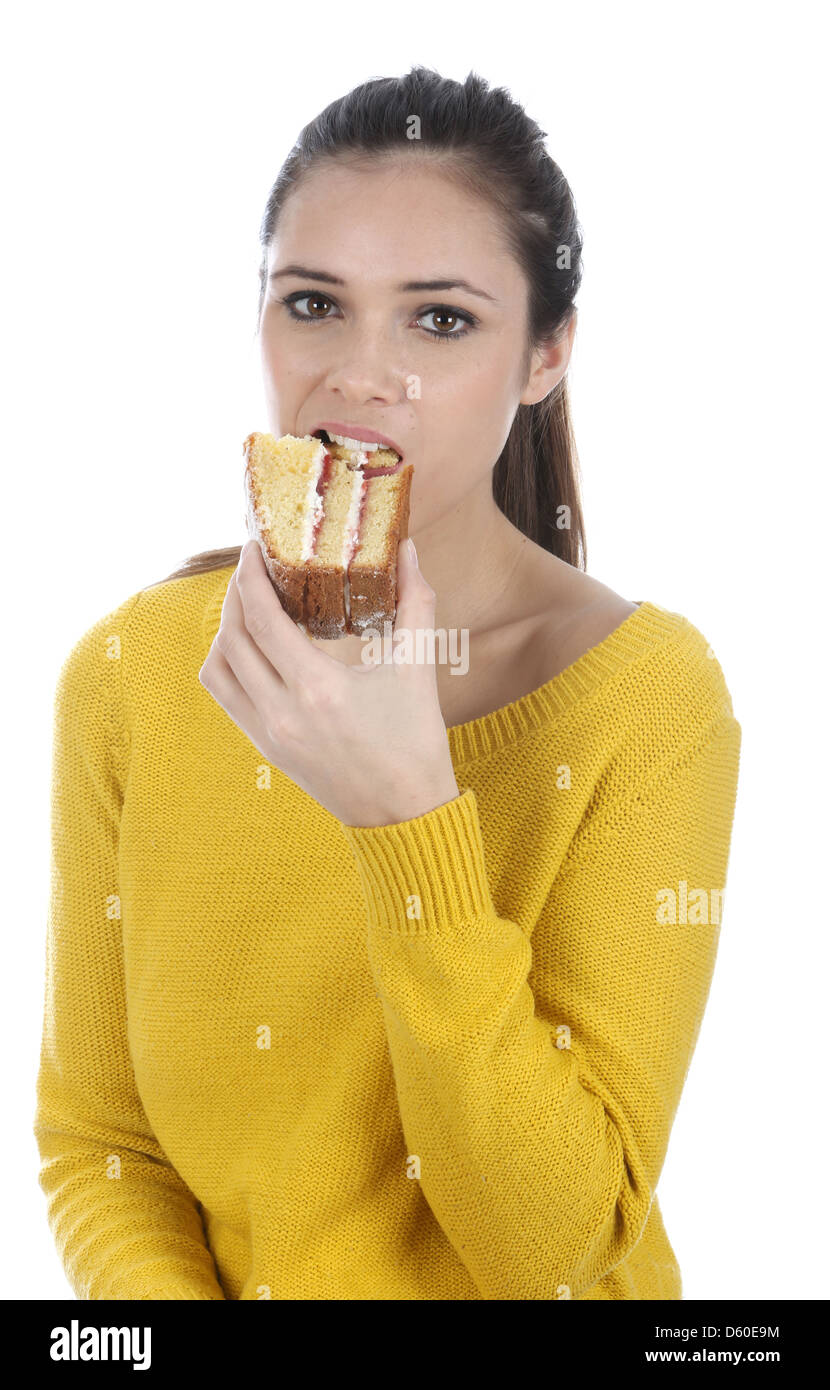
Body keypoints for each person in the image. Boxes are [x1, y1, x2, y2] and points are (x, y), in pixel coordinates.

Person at [34, 65, 741, 1300]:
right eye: (312, 302)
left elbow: (560, 1255)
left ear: (544, 357)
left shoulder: (649, 701)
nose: (362, 374)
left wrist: (405, 816)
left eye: (440, 319)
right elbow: (102, 1142)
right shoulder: (130, 672)